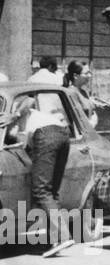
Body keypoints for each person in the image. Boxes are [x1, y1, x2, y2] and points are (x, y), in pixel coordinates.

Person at [23, 94, 74, 255]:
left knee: (41, 190)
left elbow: (21, 143)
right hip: (62, 132)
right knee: (51, 191)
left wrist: (15, 115)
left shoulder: (15, 111)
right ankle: (56, 240)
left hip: (45, 134)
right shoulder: (25, 110)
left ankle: (63, 236)